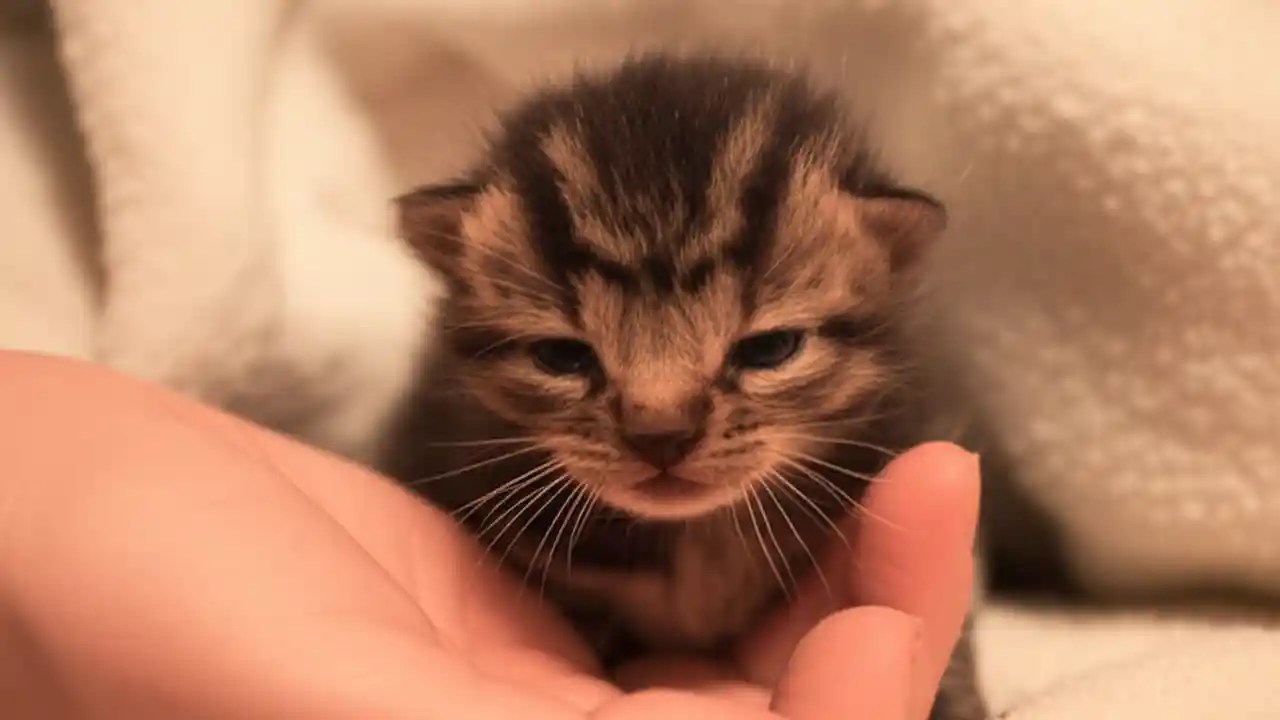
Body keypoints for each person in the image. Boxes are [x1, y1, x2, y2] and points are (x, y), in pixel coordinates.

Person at [0, 351, 979, 719]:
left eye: (760, 348)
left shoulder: (863, 461)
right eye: (566, 354)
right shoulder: (469, 475)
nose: (658, 421)